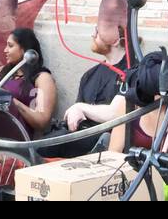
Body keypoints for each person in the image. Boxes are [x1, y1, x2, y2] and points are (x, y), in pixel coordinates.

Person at [0, 28, 56, 189]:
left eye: (10, 46)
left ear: (25, 50)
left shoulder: (41, 78)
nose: (5, 50)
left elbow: (42, 121)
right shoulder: (1, 72)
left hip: (15, 145)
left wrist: (13, 102)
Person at [41, 29, 134, 158]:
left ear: (116, 40)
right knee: (39, 146)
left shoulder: (132, 71)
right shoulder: (90, 75)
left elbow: (115, 113)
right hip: (81, 133)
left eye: (98, 31)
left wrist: (81, 107)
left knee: (42, 148)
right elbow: (75, 119)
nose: (92, 35)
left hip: (109, 136)